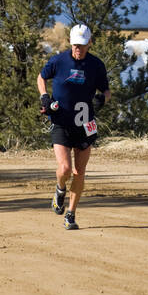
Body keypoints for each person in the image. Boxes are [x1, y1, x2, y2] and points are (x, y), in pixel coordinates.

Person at [37, 23, 110, 232]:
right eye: (76, 45)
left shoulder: (96, 65)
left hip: (85, 123)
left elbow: (107, 91)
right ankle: (60, 190)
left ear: (89, 44)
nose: (79, 49)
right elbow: (41, 77)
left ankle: (71, 214)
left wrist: (101, 99)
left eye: (83, 45)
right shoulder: (59, 61)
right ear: (71, 43)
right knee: (65, 169)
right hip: (61, 121)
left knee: (80, 172)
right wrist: (44, 96)